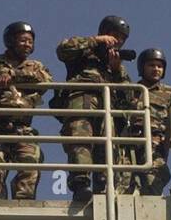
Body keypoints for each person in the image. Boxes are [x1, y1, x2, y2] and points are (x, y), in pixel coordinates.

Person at [0, 22, 53, 200]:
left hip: (21, 128)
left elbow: (45, 79)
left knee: (31, 164)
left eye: (30, 41)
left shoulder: (35, 65)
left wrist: (14, 76)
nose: (27, 45)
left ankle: (24, 205)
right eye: (23, 40)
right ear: (11, 41)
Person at [56, 15, 134, 203]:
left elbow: (129, 98)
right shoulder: (84, 51)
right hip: (82, 101)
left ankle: (103, 186)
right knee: (80, 140)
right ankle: (81, 184)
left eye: (121, 39)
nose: (117, 41)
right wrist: (94, 41)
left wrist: (116, 70)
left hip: (107, 110)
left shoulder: (117, 67)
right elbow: (63, 49)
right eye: (114, 35)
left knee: (106, 147)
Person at [119, 48, 171, 195]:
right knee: (123, 182)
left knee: (154, 179)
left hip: (155, 143)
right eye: (151, 65)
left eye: (160, 66)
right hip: (129, 142)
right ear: (142, 67)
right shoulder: (132, 90)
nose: (156, 69)